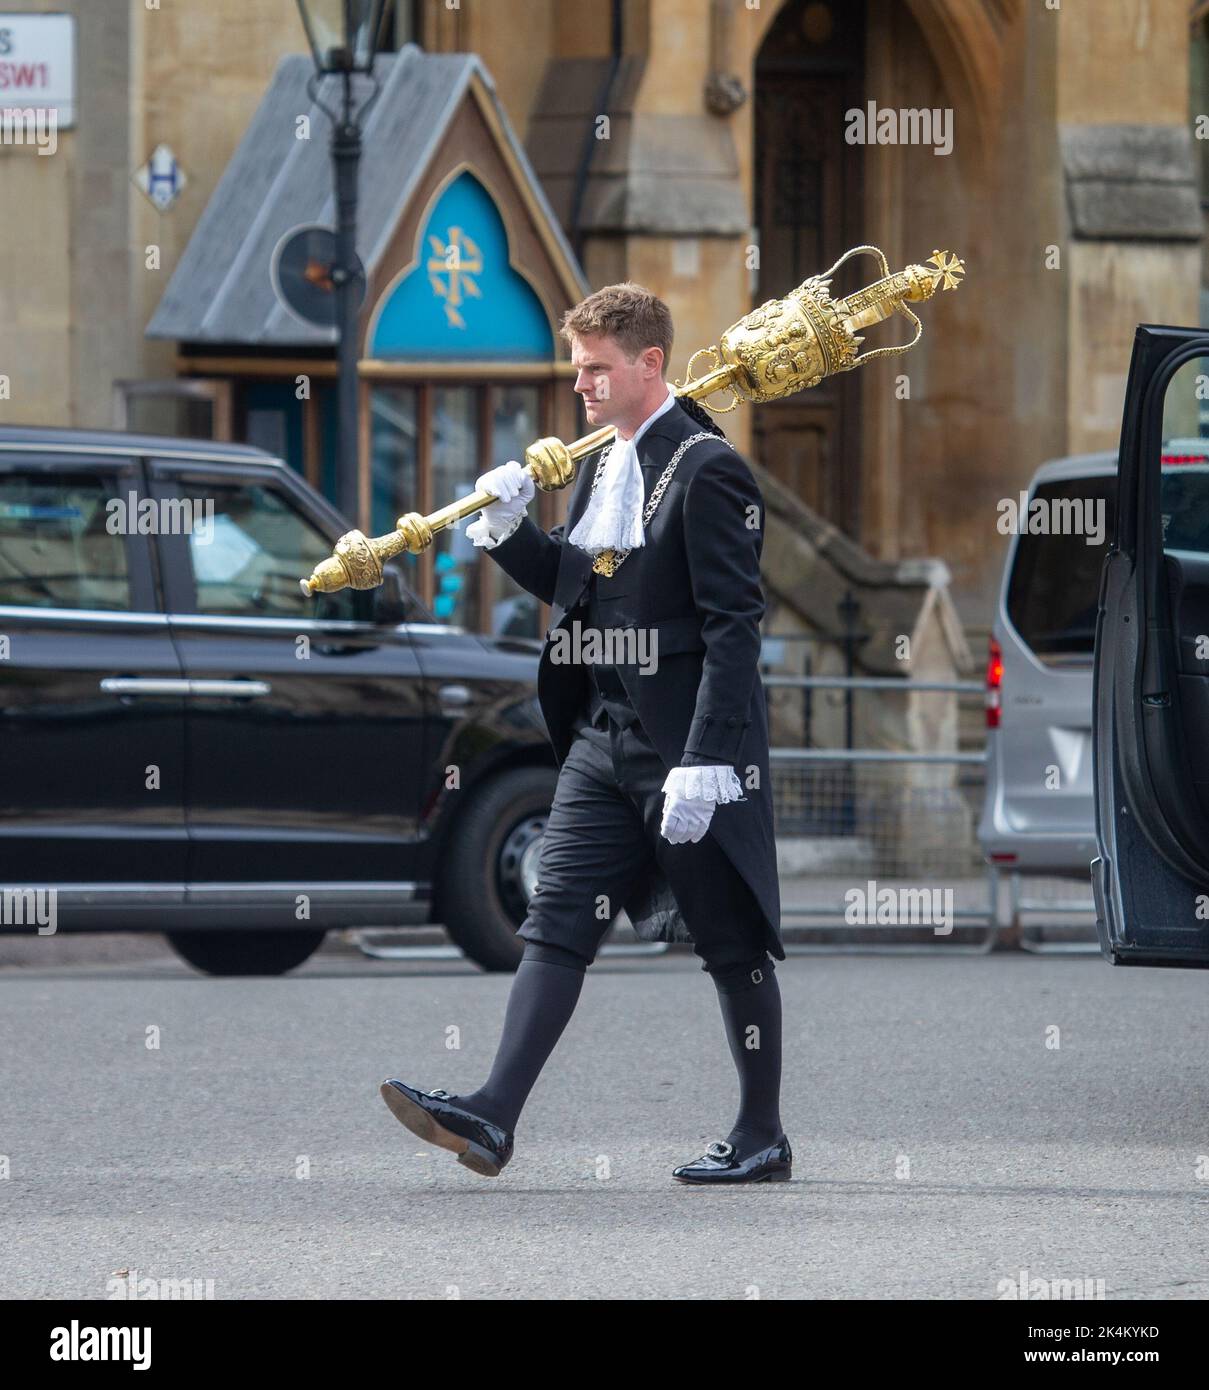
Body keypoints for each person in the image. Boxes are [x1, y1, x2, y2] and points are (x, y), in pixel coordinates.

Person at [381, 282, 788, 1184]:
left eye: (597, 368)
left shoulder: (710, 468)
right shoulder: (607, 463)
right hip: (602, 740)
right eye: (576, 367)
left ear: (650, 365)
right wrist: (506, 531)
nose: (582, 385)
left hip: (685, 754)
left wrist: (707, 763)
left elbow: (733, 625)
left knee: (729, 941)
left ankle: (761, 1131)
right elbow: (577, 579)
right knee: (555, 921)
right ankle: (492, 1115)